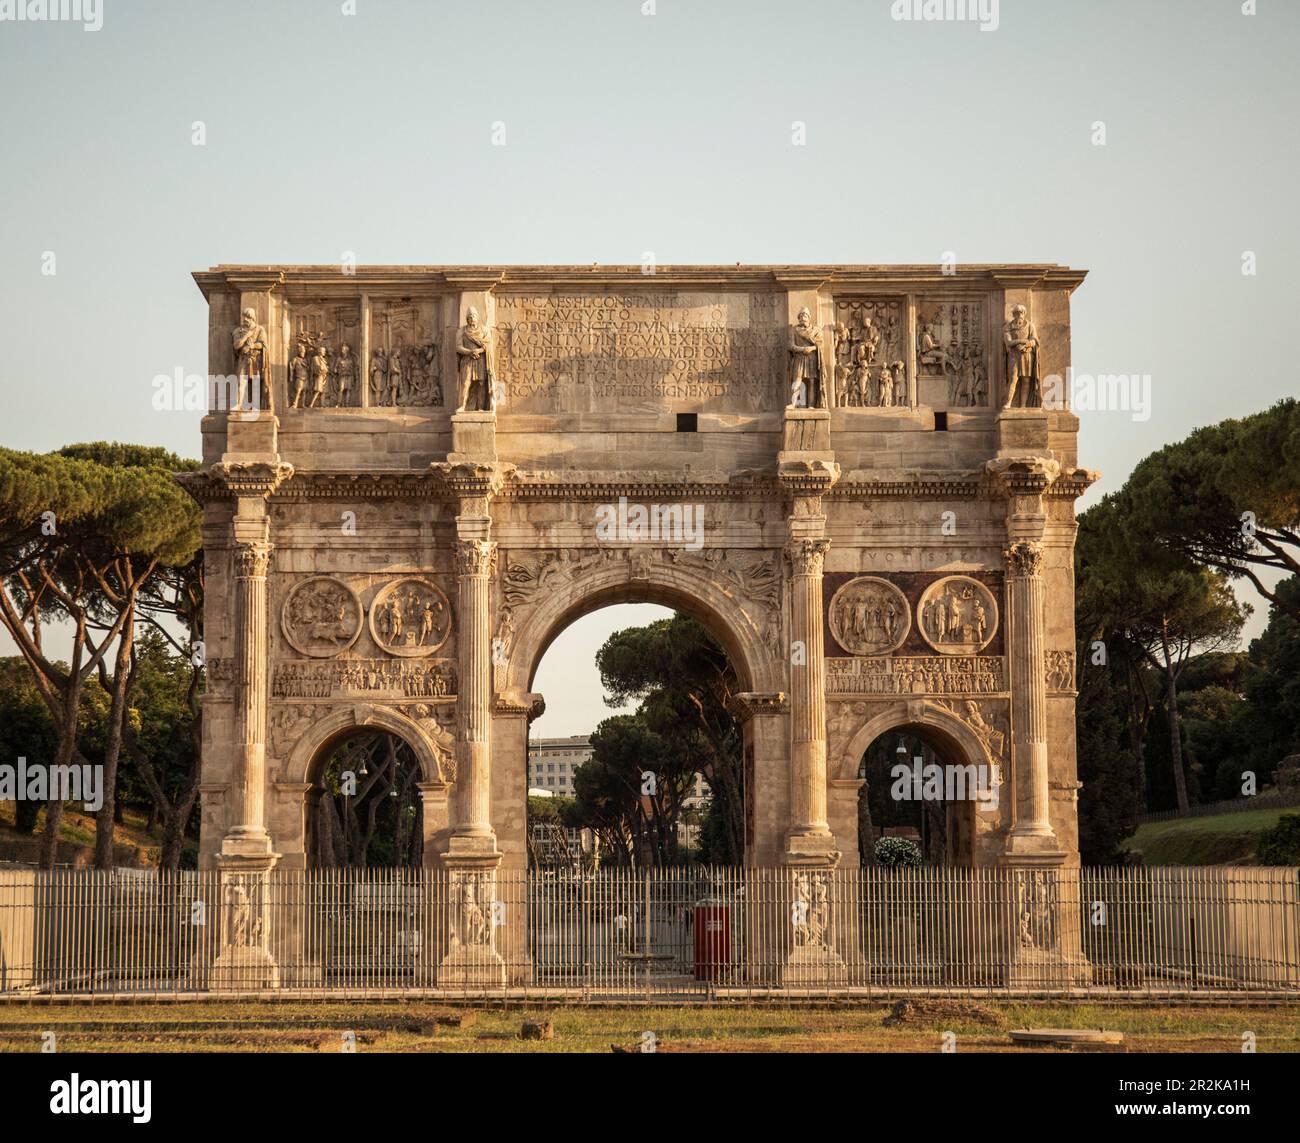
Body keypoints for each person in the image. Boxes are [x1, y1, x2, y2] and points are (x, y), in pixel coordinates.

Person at [456, 307, 495, 411]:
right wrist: (470, 352)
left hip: (481, 360)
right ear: (467, 319)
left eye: (474, 316)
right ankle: (462, 406)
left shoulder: (484, 330)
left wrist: (479, 351)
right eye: (470, 317)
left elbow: (488, 345)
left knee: (481, 383)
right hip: (467, 360)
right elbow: (458, 347)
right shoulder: (462, 331)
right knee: (465, 383)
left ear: (477, 318)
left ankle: (481, 407)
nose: (472, 318)